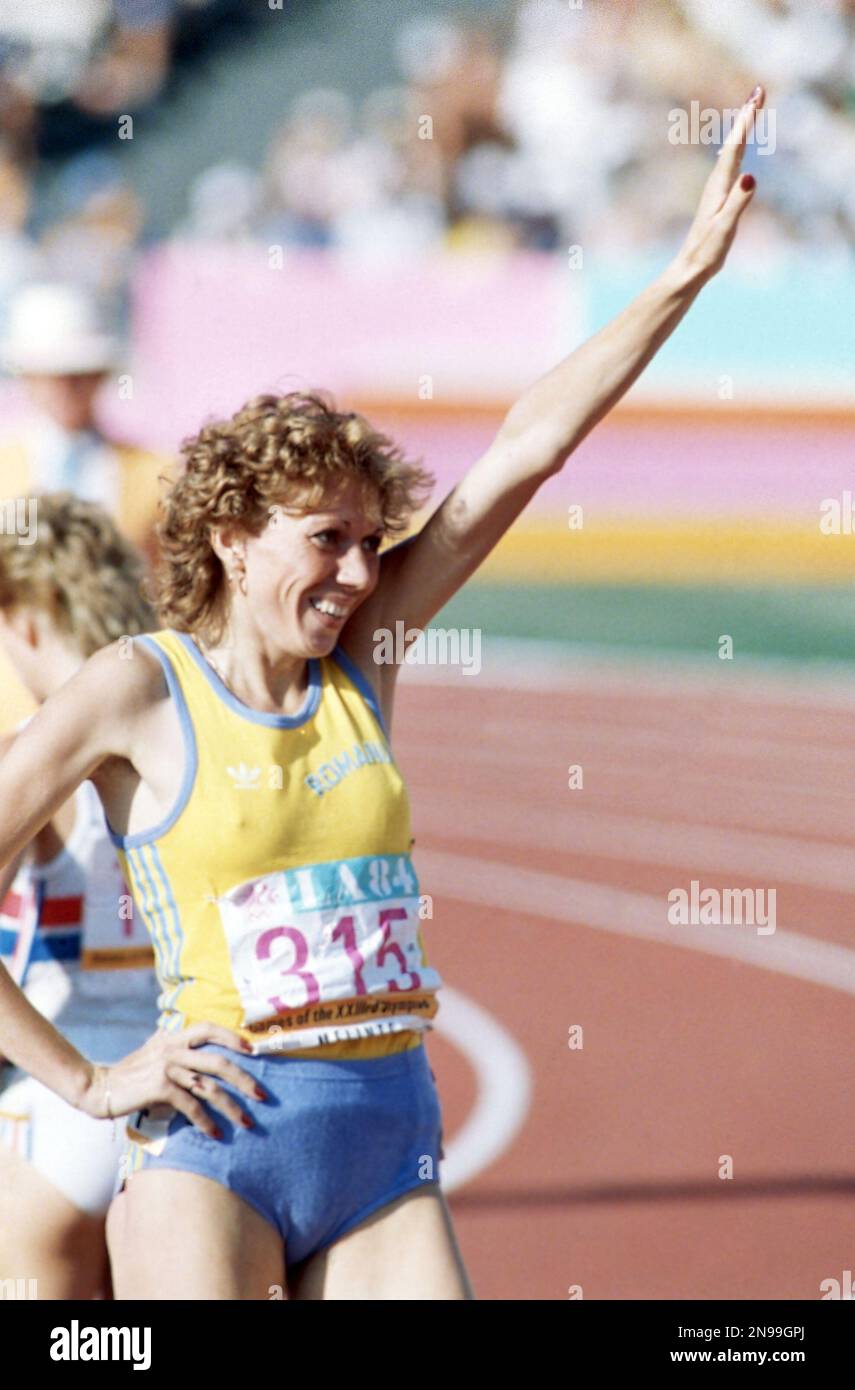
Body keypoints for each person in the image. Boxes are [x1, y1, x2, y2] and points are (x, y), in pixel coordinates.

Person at [0, 88, 765, 1301]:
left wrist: (683, 274)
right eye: (327, 540)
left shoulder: (364, 657)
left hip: (382, 1155)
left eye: (371, 541)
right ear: (234, 537)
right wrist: (88, 1082)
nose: (360, 573)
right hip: (211, 1153)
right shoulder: (134, 691)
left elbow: (526, 449)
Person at [0, 492, 160, 1298]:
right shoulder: (178, 734)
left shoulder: (22, 761)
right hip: (179, 1096)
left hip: (55, 1105)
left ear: (27, 618)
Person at [0, 280, 171, 732]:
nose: (66, 386)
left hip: (122, 709)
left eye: (80, 370)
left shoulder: (153, 474)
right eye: (52, 372)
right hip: (11, 709)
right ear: (26, 376)